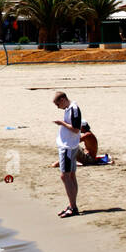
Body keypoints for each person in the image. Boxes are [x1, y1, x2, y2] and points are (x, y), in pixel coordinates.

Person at [52, 89, 82, 217]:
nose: (58, 107)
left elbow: (76, 129)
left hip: (68, 146)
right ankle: (72, 205)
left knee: (65, 176)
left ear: (62, 100)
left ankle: (73, 207)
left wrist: (61, 123)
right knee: (71, 175)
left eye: (58, 105)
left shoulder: (74, 108)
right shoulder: (68, 109)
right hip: (69, 145)